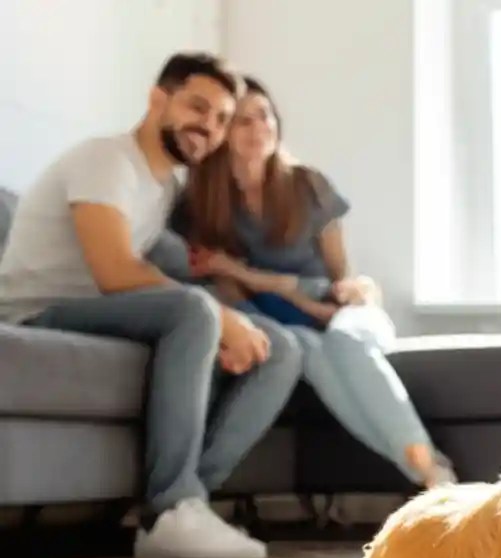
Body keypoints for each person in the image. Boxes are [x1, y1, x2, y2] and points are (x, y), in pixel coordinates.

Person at [0, 54, 304, 558]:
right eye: (197, 107)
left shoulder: (164, 188)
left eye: (220, 119)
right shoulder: (106, 161)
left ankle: (178, 506)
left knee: (281, 350)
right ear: (157, 99)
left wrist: (239, 311)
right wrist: (220, 319)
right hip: (36, 311)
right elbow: (116, 272)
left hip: (97, 314)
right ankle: (172, 507)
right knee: (195, 313)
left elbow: (167, 263)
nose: (207, 126)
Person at [169, 76, 457, 490]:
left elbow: (342, 281)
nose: (258, 129)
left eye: (265, 116)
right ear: (224, 134)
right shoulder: (203, 206)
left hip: (345, 317)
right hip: (292, 329)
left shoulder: (308, 186)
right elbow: (231, 297)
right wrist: (285, 298)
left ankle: (429, 468)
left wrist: (345, 295)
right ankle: (430, 471)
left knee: (342, 341)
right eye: (243, 121)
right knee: (309, 354)